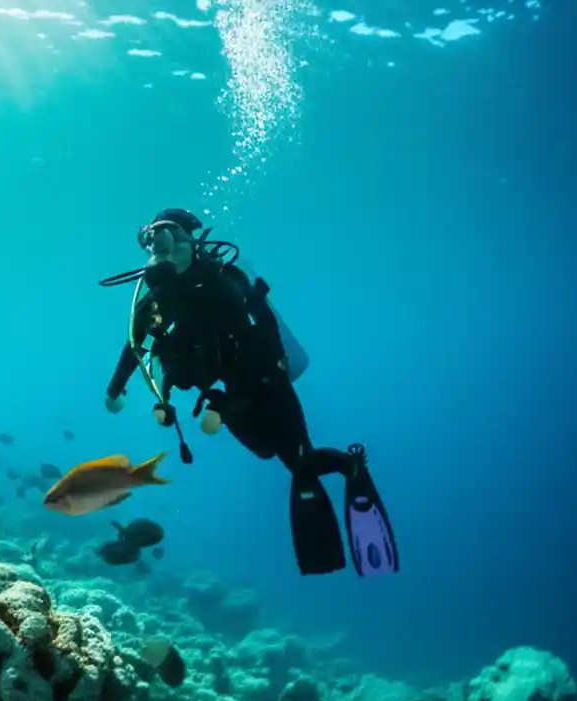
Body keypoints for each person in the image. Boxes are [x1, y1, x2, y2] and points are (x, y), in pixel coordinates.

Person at [99, 208, 399, 577]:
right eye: (154, 237)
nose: (162, 243)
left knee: (297, 461)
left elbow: (253, 317)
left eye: (171, 234)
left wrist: (273, 366)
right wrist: (116, 388)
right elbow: (135, 344)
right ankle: (310, 456)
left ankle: (346, 465)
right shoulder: (154, 299)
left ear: (191, 239)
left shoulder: (222, 277)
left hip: (262, 377)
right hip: (224, 394)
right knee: (265, 450)